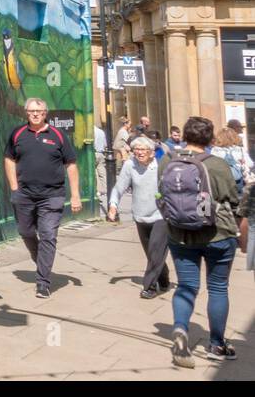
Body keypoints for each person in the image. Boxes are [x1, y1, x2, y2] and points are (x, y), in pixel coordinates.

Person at [162, 116, 241, 368]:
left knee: (186, 286)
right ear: (210, 139)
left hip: (180, 234)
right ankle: (217, 345)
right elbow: (232, 198)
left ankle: (180, 330)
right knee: (217, 288)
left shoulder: (167, 161)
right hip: (217, 234)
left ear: (184, 136)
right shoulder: (217, 164)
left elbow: (162, 194)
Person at [4, 97, 81, 299]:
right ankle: (42, 261)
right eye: (31, 111)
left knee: (48, 235)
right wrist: (14, 187)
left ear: (45, 113)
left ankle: (43, 282)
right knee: (25, 231)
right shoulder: (18, 134)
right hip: (25, 195)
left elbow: (71, 164)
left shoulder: (58, 135)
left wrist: (75, 195)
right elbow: (9, 159)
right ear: (26, 113)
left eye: (39, 111)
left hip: (52, 196)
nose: (35, 114)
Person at [109, 136, 171, 297]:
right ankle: (164, 279)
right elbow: (119, 187)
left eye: (143, 150)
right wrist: (113, 205)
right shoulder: (130, 165)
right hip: (140, 216)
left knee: (156, 250)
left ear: (151, 152)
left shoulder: (160, 166)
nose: (139, 153)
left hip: (160, 215)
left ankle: (149, 287)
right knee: (152, 253)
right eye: (136, 150)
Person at [210, 125, 251, 195]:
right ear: (235, 137)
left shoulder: (214, 150)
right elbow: (250, 164)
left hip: (221, 182)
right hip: (238, 181)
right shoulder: (240, 149)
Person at [93, 124, 109, 219]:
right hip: (101, 153)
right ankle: (105, 189)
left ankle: (98, 191)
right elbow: (105, 144)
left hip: (94, 153)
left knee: (94, 172)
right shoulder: (101, 132)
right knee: (102, 172)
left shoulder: (91, 132)